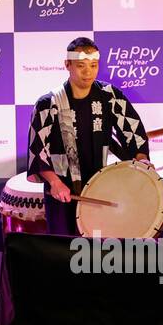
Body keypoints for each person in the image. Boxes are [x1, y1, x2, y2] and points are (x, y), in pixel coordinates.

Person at [25, 36, 151, 234]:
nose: (88, 72)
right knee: (65, 247)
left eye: (93, 65)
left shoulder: (110, 96)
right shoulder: (49, 103)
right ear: (67, 64)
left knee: (96, 248)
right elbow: (38, 150)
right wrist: (54, 182)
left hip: (100, 184)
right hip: (62, 189)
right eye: (81, 65)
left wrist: (141, 159)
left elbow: (132, 131)